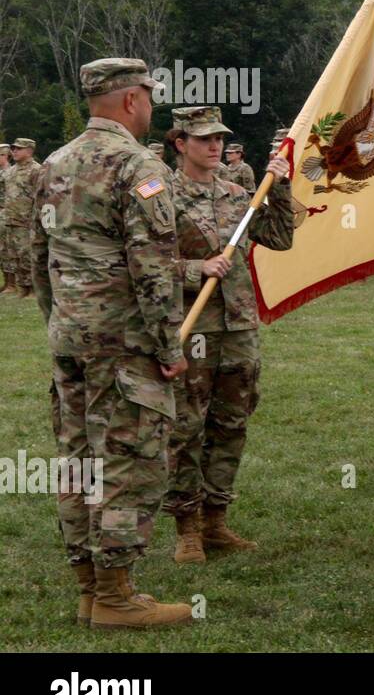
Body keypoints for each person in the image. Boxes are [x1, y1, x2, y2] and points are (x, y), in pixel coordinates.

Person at [31, 57, 192, 629]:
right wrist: (169, 346)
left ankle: (89, 589)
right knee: (127, 457)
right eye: (148, 96)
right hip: (122, 339)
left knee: (77, 459)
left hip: (70, 335)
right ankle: (118, 596)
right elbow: (153, 265)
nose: (150, 106)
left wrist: (58, 322)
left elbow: (39, 259)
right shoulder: (135, 164)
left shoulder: (52, 163)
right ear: (130, 100)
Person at [162, 106, 294, 563]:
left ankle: (216, 519)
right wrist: (194, 268)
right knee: (186, 427)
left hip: (238, 326)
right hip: (191, 326)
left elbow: (280, 238)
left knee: (231, 424)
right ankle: (186, 527)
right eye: (203, 139)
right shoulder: (161, 196)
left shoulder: (239, 194)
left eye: (219, 138)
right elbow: (141, 262)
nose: (215, 146)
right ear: (180, 144)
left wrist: (280, 187)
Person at [2, 137, 40, 297]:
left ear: (29, 151)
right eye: (13, 148)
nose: (14, 151)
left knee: (27, 256)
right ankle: (22, 288)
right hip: (11, 220)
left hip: (28, 222)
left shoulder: (37, 170)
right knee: (14, 256)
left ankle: (33, 289)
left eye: (19, 148)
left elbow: (43, 197)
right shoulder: (10, 172)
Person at [0, 142, 11, 294]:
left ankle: (11, 284)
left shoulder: (10, 173)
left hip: (6, 214)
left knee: (7, 249)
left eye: (1, 155)